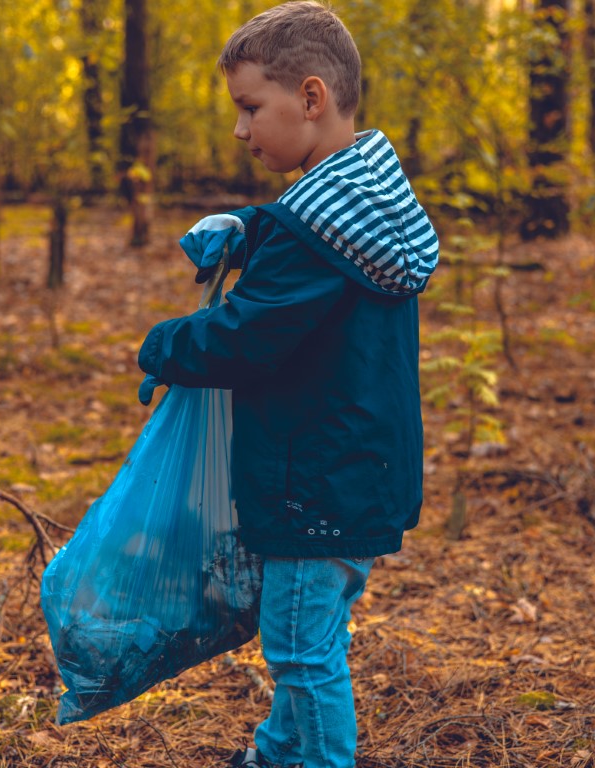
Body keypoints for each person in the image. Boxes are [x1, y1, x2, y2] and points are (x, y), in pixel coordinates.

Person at [136, 2, 439, 766]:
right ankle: (278, 752)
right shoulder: (369, 194)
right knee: (310, 629)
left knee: (302, 650)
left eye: (250, 109)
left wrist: (164, 345)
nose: (241, 131)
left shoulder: (312, 230)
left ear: (311, 98)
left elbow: (249, 337)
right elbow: (305, 238)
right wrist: (248, 225)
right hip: (360, 471)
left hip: (316, 479)